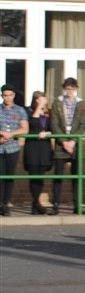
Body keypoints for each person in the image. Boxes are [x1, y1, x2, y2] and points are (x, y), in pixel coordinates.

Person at [0, 84, 29, 215]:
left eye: (10, 95)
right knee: (0, 176)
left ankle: (6, 203)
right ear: (2, 96)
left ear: (14, 96)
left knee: (9, 176)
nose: (8, 98)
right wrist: (2, 133)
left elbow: (24, 128)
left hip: (13, 147)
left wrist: (10, 134)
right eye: (5, 95)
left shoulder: (19, 110)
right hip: (0, 147)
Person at [23, 91, 54, 215]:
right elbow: (32, 122)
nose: (42, 102)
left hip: (44, 147)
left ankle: (36, 204)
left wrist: (46, 133)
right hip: (33, 147)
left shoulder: (48, 114)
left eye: (43, 99)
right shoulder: (29, 111)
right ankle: (36, 202)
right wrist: (38, 107)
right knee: (33, 175)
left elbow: (53, 129)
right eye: (39, 100)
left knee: (40, 176)